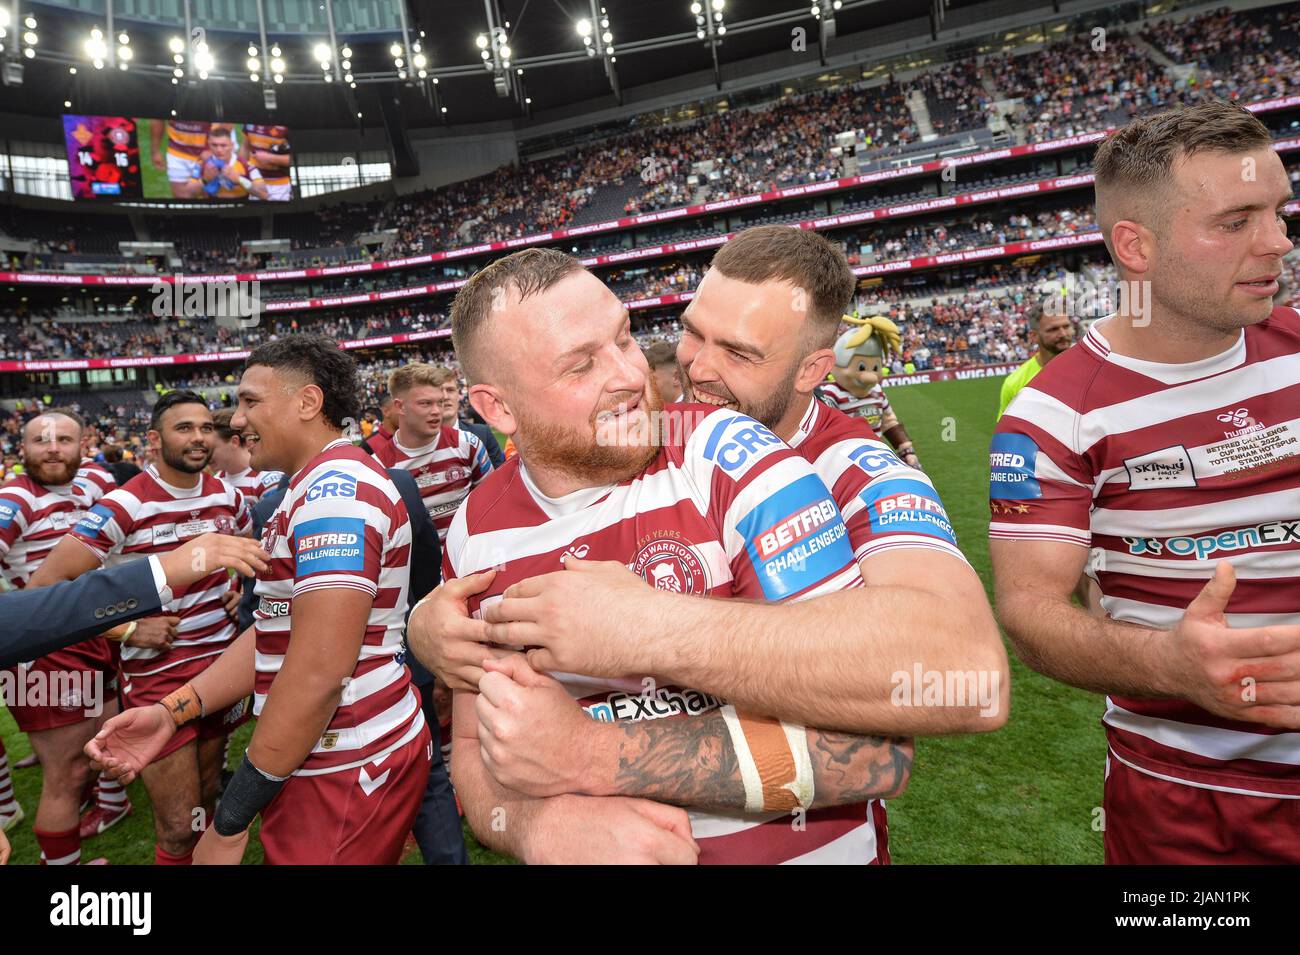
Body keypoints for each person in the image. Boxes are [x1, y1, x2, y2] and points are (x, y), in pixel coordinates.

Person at [412, 228, 1007, 860]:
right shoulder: (478, 524)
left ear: (811, 369)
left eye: (622, 339)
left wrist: (634, 651)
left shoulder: (762, 456)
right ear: (495, 408)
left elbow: (913, 721)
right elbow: (476, 750)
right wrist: (531, 826)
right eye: (690, 334)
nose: (670, 371)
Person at [989, 100, 1299, 864]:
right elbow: (1028, 612)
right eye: (1236, 221)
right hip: (1191, 805)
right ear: (1137, 245)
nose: (1277, 242)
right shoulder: (1053, 415)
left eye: (1278, 211)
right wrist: (1172, 666)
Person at [89, 336, 431, 865]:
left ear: (307, 403)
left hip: (341, 756)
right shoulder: (309, 487)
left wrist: (229, 820)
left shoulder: (333, 494)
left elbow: (318, 672)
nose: (236, 419)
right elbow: (276, 632)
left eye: (250, 401)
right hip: (321, 753)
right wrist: (171, 712)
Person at [33, 392, 253, 866]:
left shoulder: (230, 497)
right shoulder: (123, 504)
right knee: (177, 828)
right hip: (159, 679)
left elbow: (244, 558)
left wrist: (240, 590)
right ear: (153, 440)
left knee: (208, 800)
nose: (197, 438)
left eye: (203, 428)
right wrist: (127, 629)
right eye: (183, 428)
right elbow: (47, 587)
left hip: (222, 672)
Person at [0, 409, 124, 864]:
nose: (53, 448)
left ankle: (113, 804)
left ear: (83, 445)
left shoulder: (93, 483)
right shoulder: (14, 497)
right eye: (40, 441)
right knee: (67, 771)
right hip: (45, 648)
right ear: (22, 449)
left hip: (97, 631)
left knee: (108, 739)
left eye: (64, 440)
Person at [370, 364, 491, 542]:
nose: (436, 411)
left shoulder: (467, 444)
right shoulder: (379, 467)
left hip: (472, 560)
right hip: (419, 568)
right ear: (400, 407)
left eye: (440, 403)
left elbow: (492, 503)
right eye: (425, 403)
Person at [996, 302, 1078, 418]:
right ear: (1034, 336)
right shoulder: (1015, 383)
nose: (1063, 334)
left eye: (1066, 326)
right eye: (1053, 329)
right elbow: (1007, 433)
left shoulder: (1094, 368)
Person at [210, 407, 283, 502]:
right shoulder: (216, 482)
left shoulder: (267, 480)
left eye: (211, 448)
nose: (206, 455)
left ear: (234, 442)